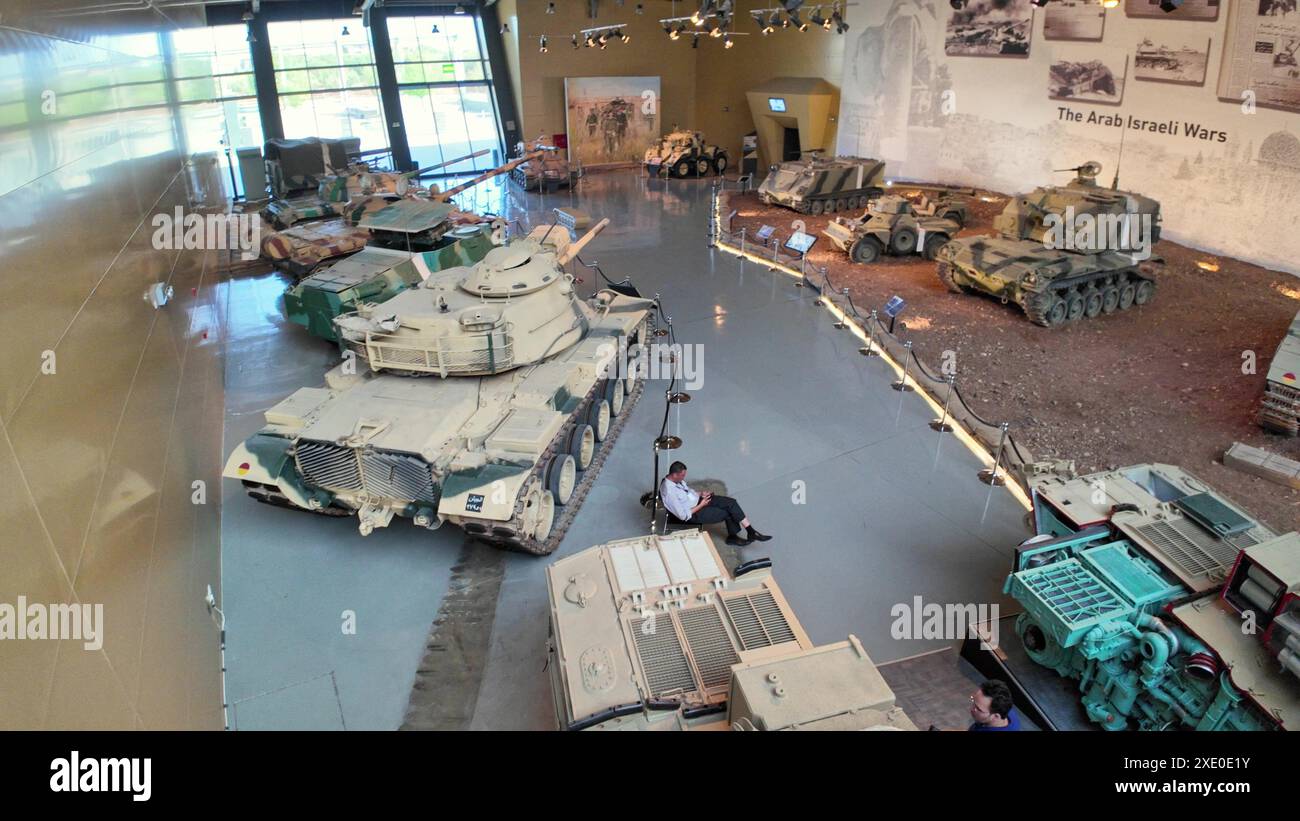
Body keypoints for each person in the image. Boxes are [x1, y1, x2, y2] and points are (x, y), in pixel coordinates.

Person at [658, 461, 772, 547]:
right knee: (727, 513)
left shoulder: (676, 481)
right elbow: (683, 515)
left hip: (699, 500)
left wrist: (700, 494)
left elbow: (687, 492)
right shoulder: (669, 492)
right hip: (694, 512)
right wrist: (701, 504)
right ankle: (732, 537)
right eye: (682, 475)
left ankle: (751, 531)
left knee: (731, 503)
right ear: (674, 474)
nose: (684, 478)